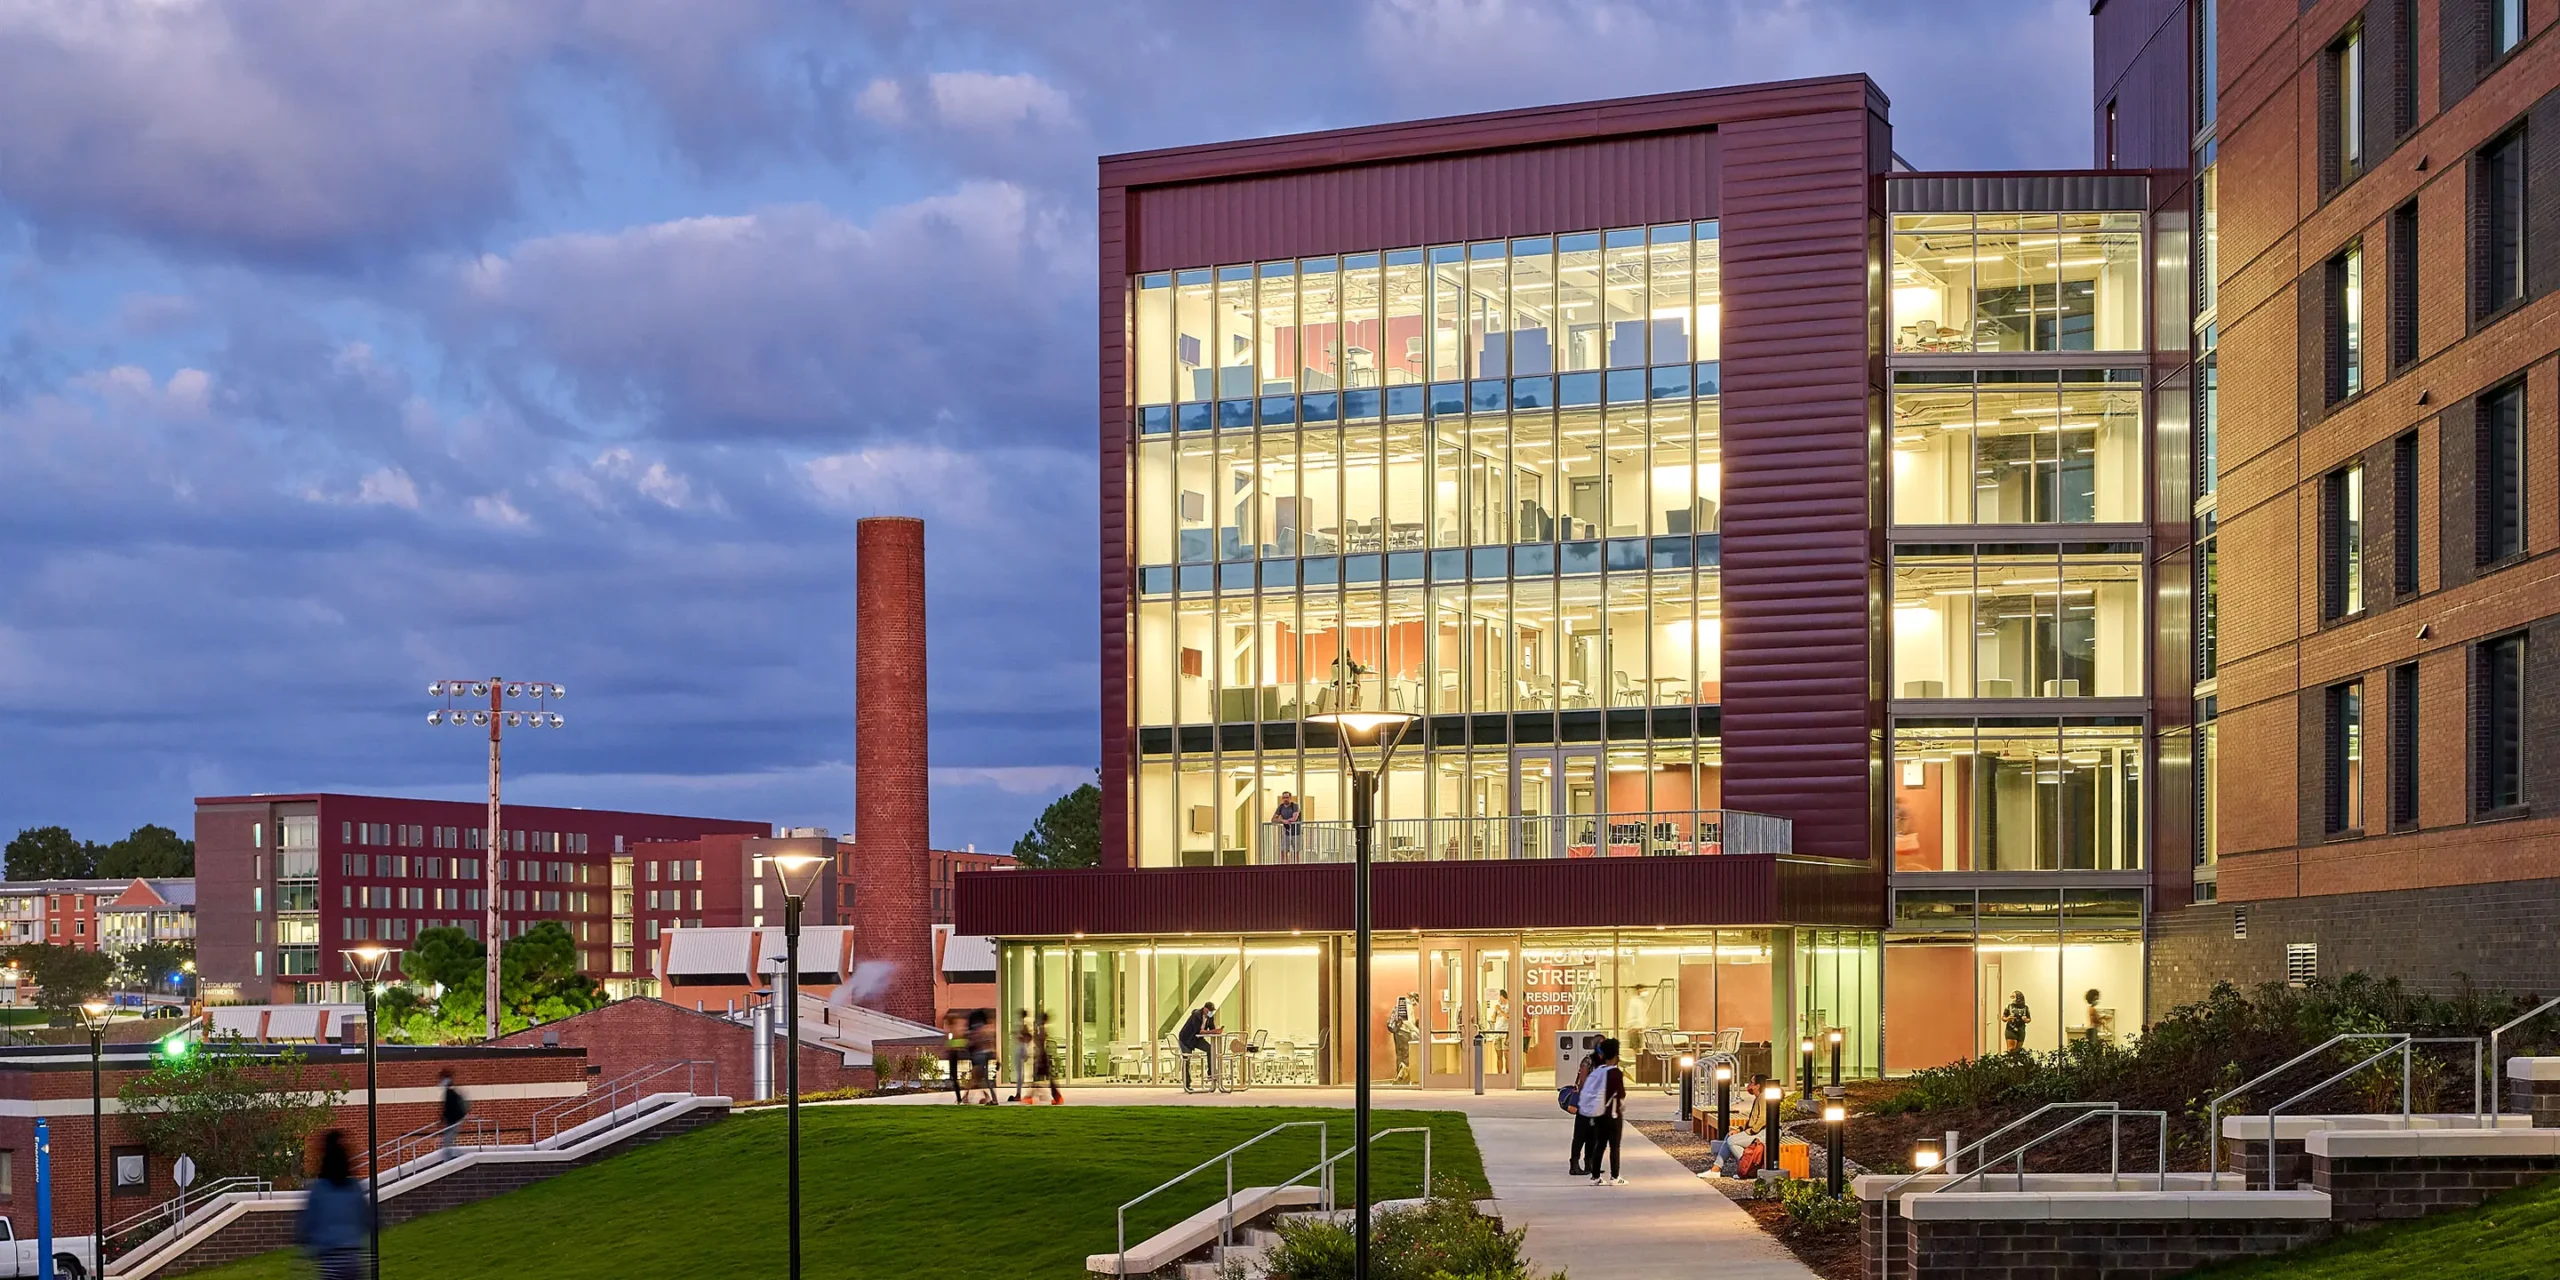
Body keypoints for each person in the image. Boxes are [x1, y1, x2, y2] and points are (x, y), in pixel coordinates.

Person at [296, 1131, 372, 1280]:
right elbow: (368, 1219)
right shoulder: (354, 1187)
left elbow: (307, 1222)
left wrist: (303, 1239)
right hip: (353, 1256)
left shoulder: (319, 1190)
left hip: (330, 1257)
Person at [1575, 1037, 1626, 1185]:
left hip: (1598, 1113)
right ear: (1616, 1056)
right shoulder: (1615, 1073)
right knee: (1614, 1146)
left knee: (1600, 1144)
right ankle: (1615, 1176)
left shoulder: (1598, 1071)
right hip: (1613, 1114)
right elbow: (1621, 1094)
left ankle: (1595, 1176)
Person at [1564, 1041, 1596, 1176]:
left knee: (1593, 1135)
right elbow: (1582, 1082)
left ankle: (1590, 1163)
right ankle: (1574, 1164)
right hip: (1585, 1103)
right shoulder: (1588, 1061)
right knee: (1580, 1135)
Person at [1178, 1001, 1222, 1092]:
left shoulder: (1210, 1017)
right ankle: (1187, 1085)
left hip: (1197, 1039)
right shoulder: (1196, 1015)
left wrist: (1216, 1030)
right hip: (1186, 1039)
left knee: (1210, 1049)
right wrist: (1212, 1031)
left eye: (1212, 1011)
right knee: (1187, 1061)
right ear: (1205, 1009)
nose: (1211, 1012)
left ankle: (1211, 1072)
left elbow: (1211, 1028)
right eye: (1209, 1010)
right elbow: (1199, 1031)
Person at [1029, 1011, 1065, 1105]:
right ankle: (1056, 1097)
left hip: (1042, 1055)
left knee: (1038, 1078)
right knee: (1043, 1078)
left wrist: (1038, 1056)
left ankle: (1030, 1097)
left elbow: (1040, 1043)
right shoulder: (1042, 1029)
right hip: (1043, 1055)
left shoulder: (1041, 1029)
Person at [966, 1009, 999, 1104]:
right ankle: (990, 1097)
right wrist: (997, 1058)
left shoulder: (981, 1029)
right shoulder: (991, 1029)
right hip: (989, 1054)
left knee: (979, 1078)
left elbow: (976, 1042)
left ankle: (992, 1098)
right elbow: (993, 1044)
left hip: (981, 1055)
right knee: (984, 1078)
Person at [436, 1069, 468, 1159]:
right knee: (449, 1141)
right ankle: (451, 1158)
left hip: (453, 1120)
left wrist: (442, 1118)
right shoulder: (451, 1091)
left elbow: (448, 1107)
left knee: (448, 1141)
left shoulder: (450, 1092)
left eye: (441, 1079)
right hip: (453, 1120)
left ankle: (451, 1159)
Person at [1386, 993, 1416, 1084]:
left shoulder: (1400, 1005)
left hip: (1398, 1033)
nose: (1415, 1005)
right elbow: (1407, 1021)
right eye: (1416, 1003)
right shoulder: (1408, 1006)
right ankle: (1403, 1079)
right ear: (1413, 999)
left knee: (1400, 1056)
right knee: (1405, 1056)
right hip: (1404, 1033)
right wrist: (1416, 1030)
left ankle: (1400, 1077)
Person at [945, 1012, 970, 1103]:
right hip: (955, 1054)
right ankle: (960, 1097)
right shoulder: (956, 1032)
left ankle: (959, 1098)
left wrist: (952, 1047)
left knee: (954, 1077)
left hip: (953, 1055)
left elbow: (951, 1045)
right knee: (954, 1077)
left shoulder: (952, 1033)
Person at [1011, 1008, 1034, 1102]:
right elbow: (1029, 1037)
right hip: (1023, 1048)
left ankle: (1018, 1094)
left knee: (1019, 1073)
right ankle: (1020, 1093)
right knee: (1021, 1073)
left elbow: (1021, 1037)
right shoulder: (1025, 1025)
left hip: (1020, 1048)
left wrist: (1020, 1037)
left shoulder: (1020, 1025)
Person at [1271, 792, 1302, 860]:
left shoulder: (1295, 806)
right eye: (1284, 798)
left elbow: (1294, 818)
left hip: (1296, 832)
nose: (1285, 799)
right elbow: (1273, 819)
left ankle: (1296, 868)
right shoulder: (1281, 807)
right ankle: (1285, 867)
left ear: (1290, 798)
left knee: (1296, 853)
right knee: (1283, 851)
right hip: (1287, 832)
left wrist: (1287, 820)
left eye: (1287, 797)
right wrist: (1283, 821)